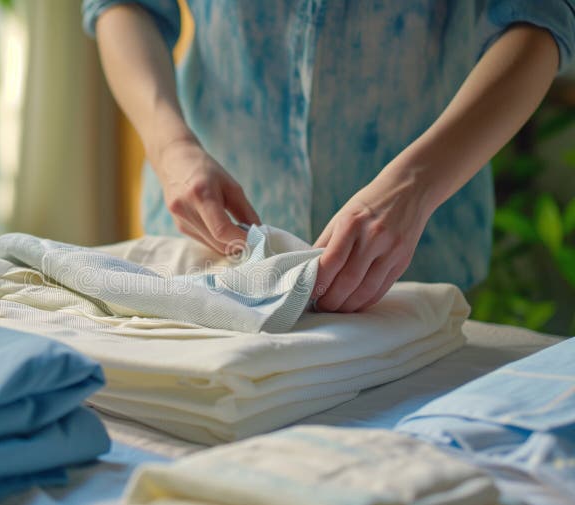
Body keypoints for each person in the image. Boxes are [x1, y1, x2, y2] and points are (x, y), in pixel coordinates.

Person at [82, 1, 574, 312]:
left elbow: (541, 21)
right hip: (202, 242)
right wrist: (171, 146)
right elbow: (126, 5)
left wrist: (415, 186)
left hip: (412, 257)